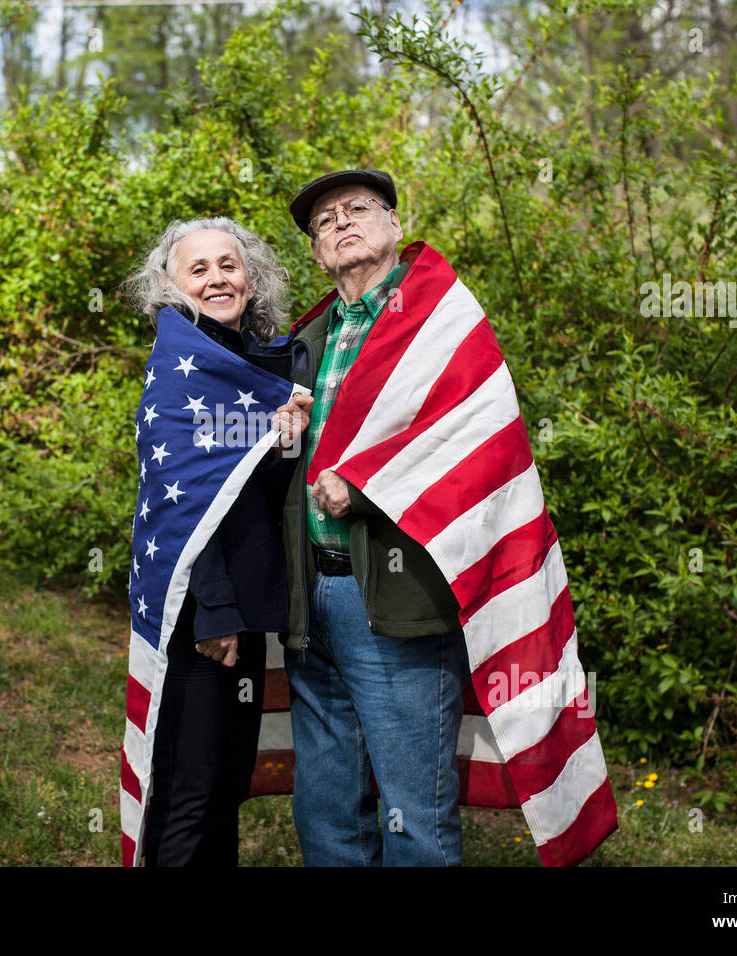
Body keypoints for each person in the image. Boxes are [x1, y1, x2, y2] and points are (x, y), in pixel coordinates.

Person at [279, 170, 471, 866]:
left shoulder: (440, 321)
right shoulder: (308, 338)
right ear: (316, 254)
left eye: (357, 209)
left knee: (410, 813)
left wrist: (366, 490)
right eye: (324, 223)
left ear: (395, 224)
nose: (340, 224)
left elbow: (469, 444)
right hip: (315, 596)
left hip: (396, 592)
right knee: (327, 804)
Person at [123, 217, 312, 866]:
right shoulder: (183, 370)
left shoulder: (259, 366)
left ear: (251, 279)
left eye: (227, 265)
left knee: (230, 783)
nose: (216, 278)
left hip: (247, 608)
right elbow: (182, 509)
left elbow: (262, 493)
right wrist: (215, 614)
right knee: (189, 790)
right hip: (202, 613)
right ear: (172, 289)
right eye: (198, 269)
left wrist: (286, 440)